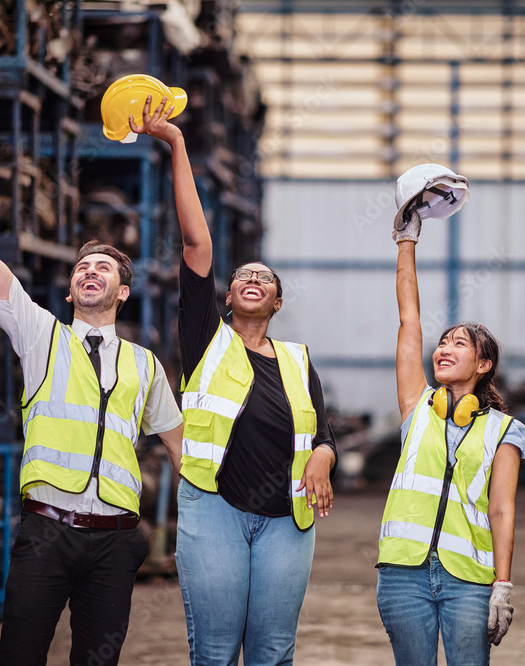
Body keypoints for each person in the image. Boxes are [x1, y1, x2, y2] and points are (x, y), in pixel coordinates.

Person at [0, 153, 184, 666]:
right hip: (47, 532)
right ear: (70, 291)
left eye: (103, 268)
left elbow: (180, 450)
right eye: (82, 268)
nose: (90, 272)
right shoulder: (42, 336)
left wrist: (207, 527)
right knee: (19, 656)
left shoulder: (146, 364)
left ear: (123, 292)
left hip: (115, 541)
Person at [130, 96, 337, 665]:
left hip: (287, 520)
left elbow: (322, 433)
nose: (251, 278)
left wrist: (324, 456)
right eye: (242, 274)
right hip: (215, 508)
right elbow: (197, 244)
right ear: (226, 296)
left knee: (273, 650)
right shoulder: (206, 339)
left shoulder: (297, 359)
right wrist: (177, 143)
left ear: (276, 301)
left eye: (263, 278)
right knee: (217, 651)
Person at [375, 164, 525, 666]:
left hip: (468, 580)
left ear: (483, 365)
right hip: (403, 574)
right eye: (443, 342)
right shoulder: (418, 407)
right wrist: (406, 239)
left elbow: (503, 510)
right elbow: (409, 321)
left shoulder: (505, 430)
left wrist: (502, 584)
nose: (443, 349)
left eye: (459, 344)